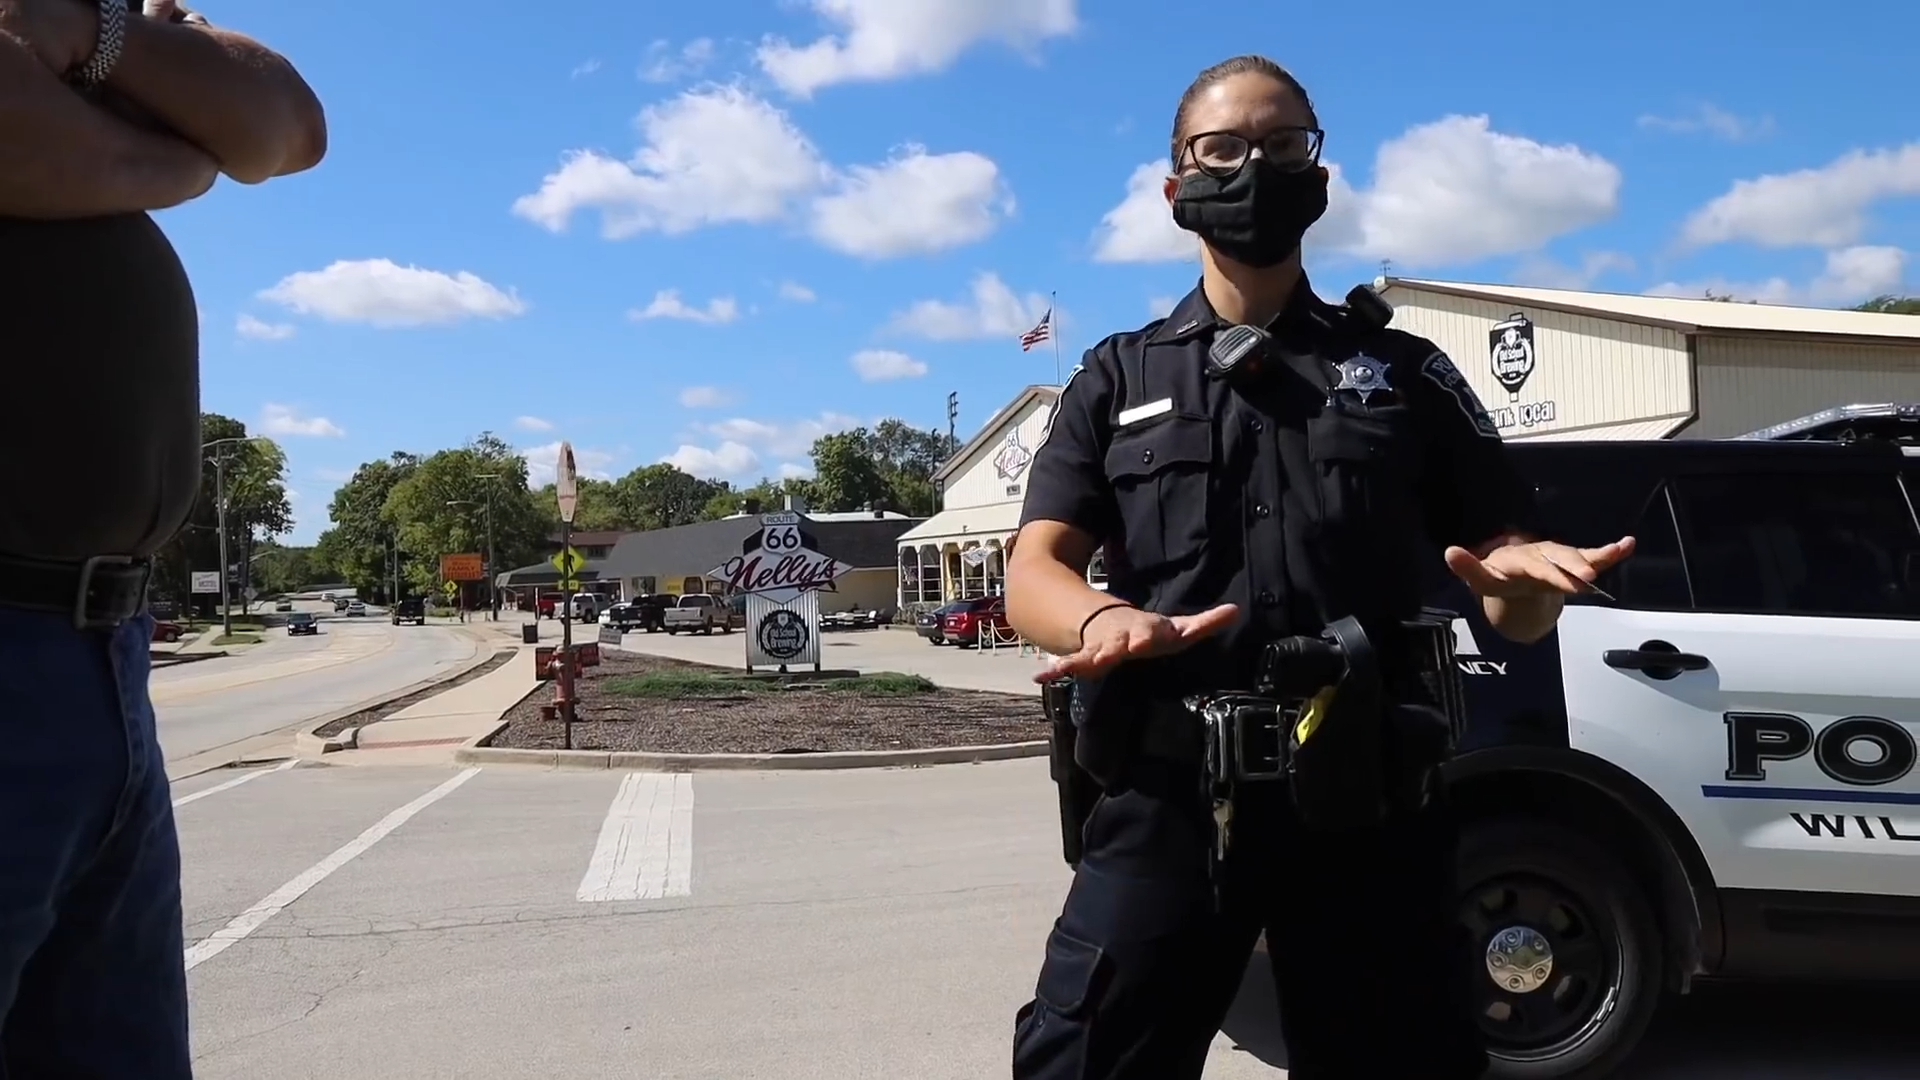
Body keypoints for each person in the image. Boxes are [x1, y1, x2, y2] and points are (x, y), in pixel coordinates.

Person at [1005, 54, 1633, 1080]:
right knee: (1082, 1059)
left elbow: (1509, 583)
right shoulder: (1115, 377)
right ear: (1176, 187)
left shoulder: (1404, 375)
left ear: (1319, 175)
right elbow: (1036, 566)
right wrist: (1095, 623)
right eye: (1223, 149)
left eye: (1283, 144)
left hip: (1364, 802)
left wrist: (1520, 595)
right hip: (1168, 796)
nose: (1254, 166)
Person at [0, 1, 324, 1076]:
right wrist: (187, 161)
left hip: (100, 657)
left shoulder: (79, 28)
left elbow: (288, 128)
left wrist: (91, 34)